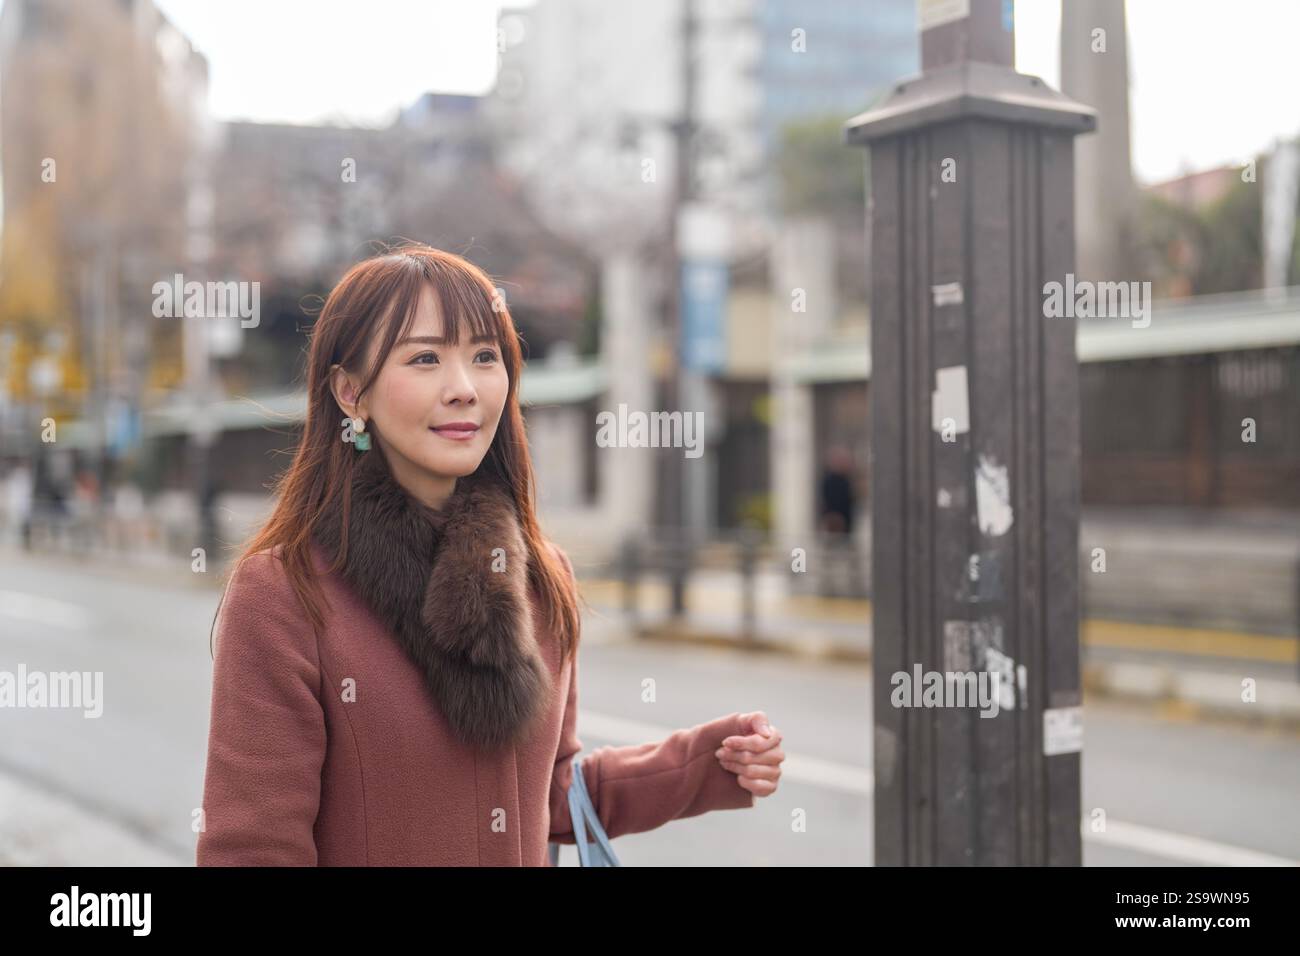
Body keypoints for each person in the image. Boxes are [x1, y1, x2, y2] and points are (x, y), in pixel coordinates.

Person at [195, 243, 783, 866]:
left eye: (484, 357)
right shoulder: (286, 593)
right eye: (424, 358)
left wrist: (701, 763)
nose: (464, 389)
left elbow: (547, 795)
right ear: (350, 393)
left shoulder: (537, 575)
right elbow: (251, 850)